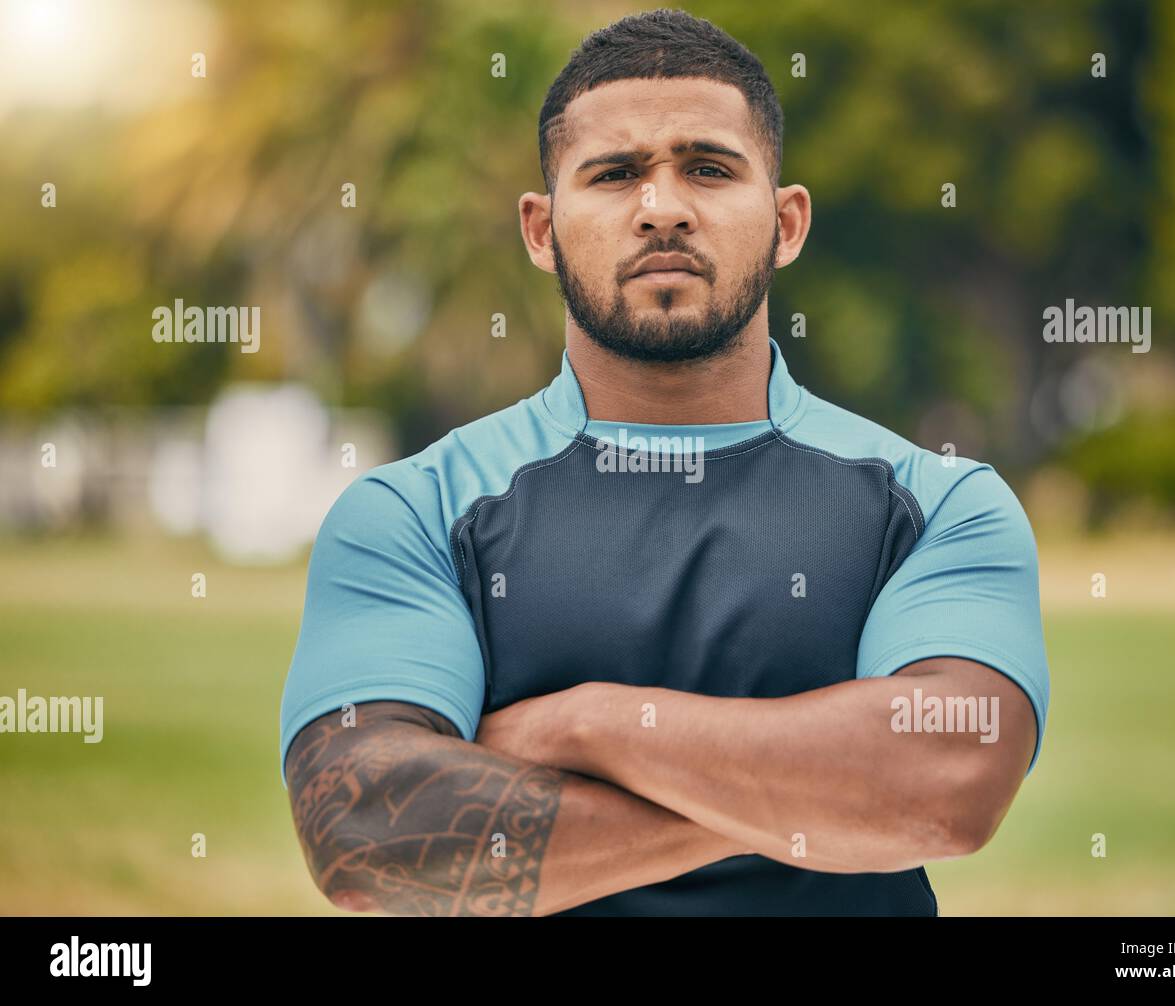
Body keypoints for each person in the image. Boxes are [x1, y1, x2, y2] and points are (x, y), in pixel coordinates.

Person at [279, 8, 1049, 916]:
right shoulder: (414, 513)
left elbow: (950, 775)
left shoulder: (936, 505)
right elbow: (367, 831)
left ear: (787, 222)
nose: (663, 207)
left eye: (710, 169)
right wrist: (828, 802)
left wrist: (581, 723)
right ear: (540, 230)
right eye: (614, 174)